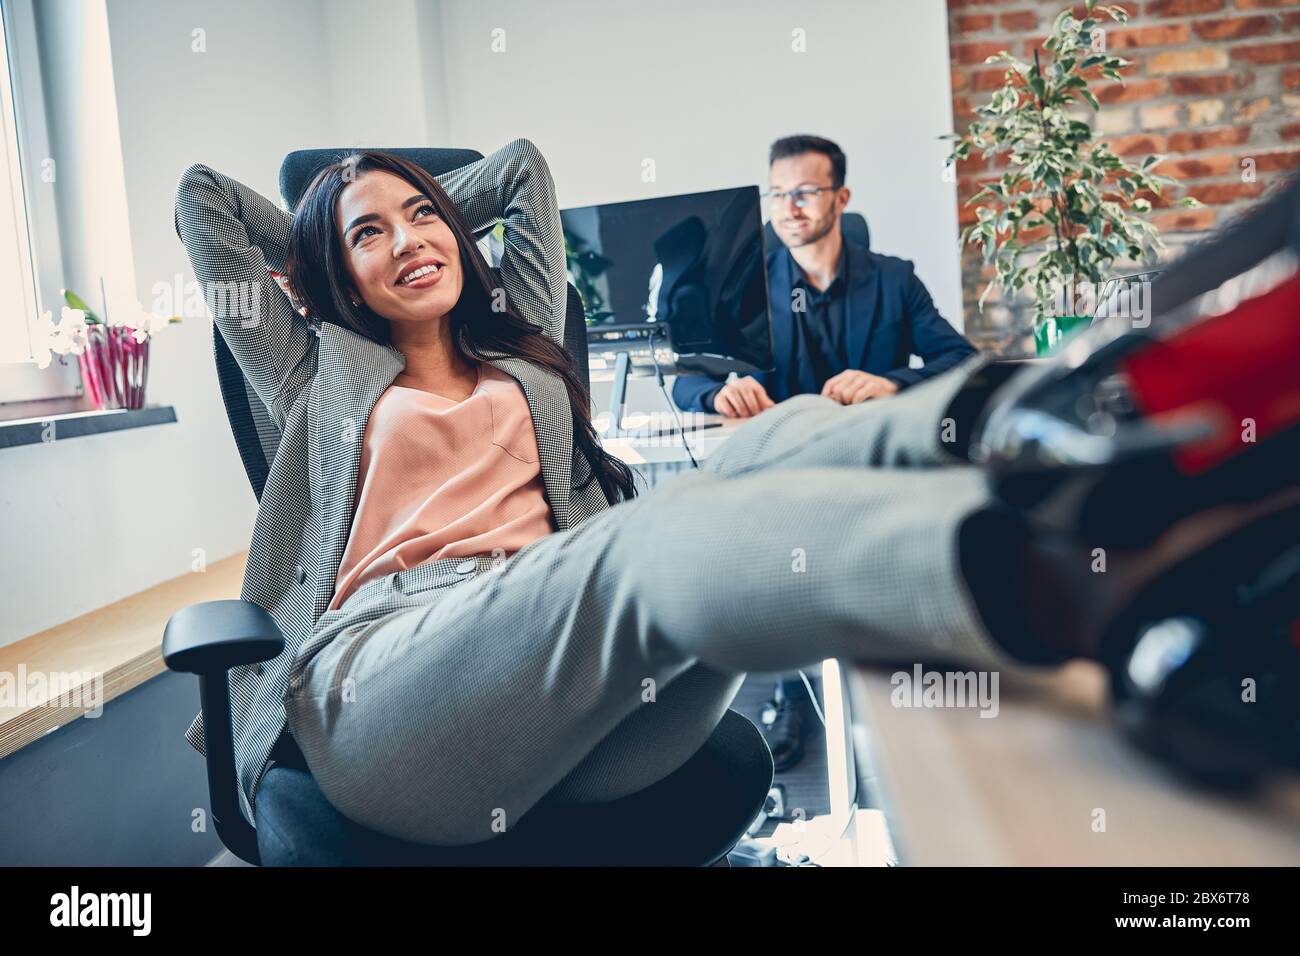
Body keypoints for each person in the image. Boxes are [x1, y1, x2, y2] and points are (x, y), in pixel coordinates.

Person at [173, 138, 1289, 848]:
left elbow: (520, 169)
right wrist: (333, 225)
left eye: (425, 216)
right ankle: (1079, 579)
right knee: (649, 543)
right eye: (372, 235)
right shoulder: (314, 369)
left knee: (775, 440)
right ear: (329, 276)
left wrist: (412, 206)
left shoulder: (519, 358)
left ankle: (1082, 425)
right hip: (394, 691)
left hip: (584, 702)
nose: (412, 238)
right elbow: (202, 200)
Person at [672, 134, 976, 419]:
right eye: (778, 194)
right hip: (779, 453)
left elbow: (963, 360)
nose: (789, 209)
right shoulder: (741, 288)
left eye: (805, 193)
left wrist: (893, 383)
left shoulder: (895, 279)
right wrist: (720, 394)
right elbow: (687, 383)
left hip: (872, 449)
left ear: (841, 198)